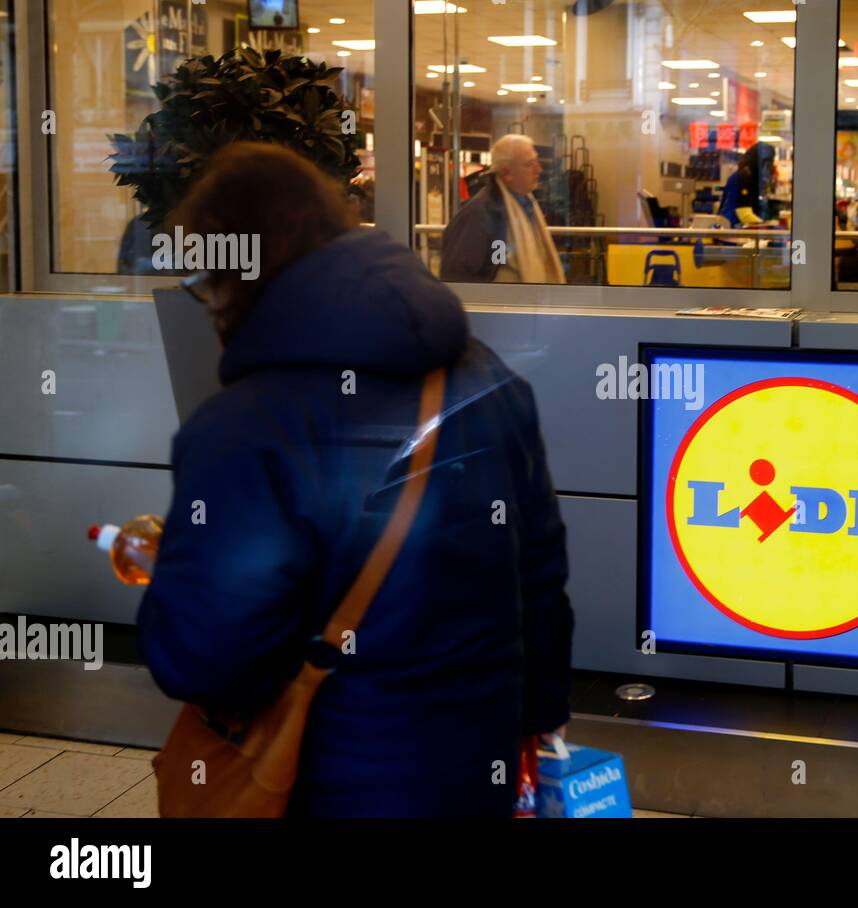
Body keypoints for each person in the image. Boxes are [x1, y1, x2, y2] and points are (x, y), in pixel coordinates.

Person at [137, 142, 574, 816]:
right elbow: (540, 578)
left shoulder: (249, 431)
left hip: (329, 784)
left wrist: (180, 574)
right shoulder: (486, 378)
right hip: (473, 771)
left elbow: (206, 659)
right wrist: (534, 721)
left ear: (239, 274)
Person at [440, 134, 567, 283]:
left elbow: (498, 257)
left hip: (528, 301)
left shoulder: (525, 204)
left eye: (537, 161)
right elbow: (460, 273)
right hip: (503, 303)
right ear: (507, 173)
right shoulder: (481, 214)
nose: (538, 169)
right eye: (529, 164)